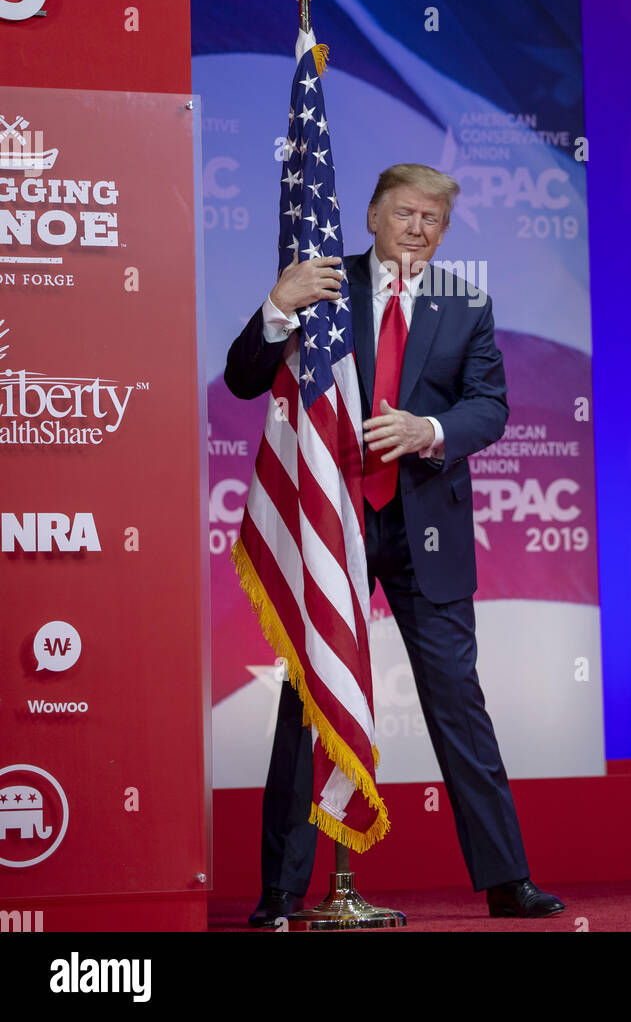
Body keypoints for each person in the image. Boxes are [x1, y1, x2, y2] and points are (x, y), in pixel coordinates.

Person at [224, 163, 564, 922]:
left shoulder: (464, 304)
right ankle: (279, 892)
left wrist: (428, 430)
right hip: (329, 520)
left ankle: (508, 881)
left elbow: (491, 407)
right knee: (307, 701)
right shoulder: (322, 283)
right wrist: (277, 308)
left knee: (458, 703)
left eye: (433, 220)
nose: (418, 229)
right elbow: (245, 379)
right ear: (373, 216)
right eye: (405, 213)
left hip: (424, 531)